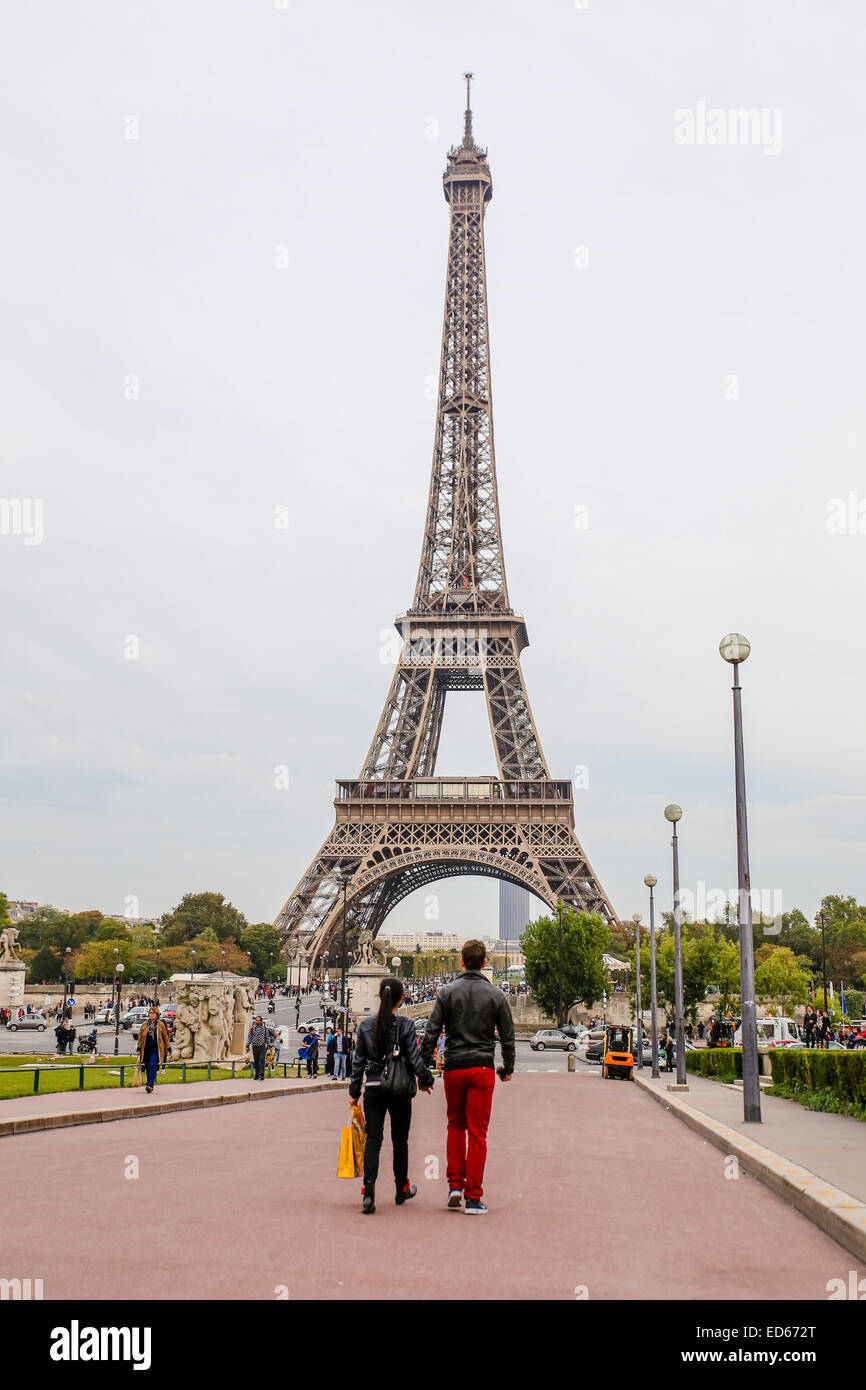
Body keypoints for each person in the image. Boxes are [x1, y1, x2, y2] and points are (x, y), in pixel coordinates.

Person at [420, 939, 515, 1215]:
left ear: (461, 961)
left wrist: (425, 1070)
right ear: (485, 963)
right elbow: (508, 1038)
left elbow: (431, 1032)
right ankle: (474, 1197)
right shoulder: (496, 995)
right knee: (478, 1133)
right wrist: (507, 1069)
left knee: (455, 1126)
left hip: (455, 1068)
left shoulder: (447, 992)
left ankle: (454, 1187)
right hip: (482, 1068)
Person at [348, 976, 434, 1214]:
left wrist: (354, 1093)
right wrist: (427, 1080)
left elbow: (357, 1065)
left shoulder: (365, 1026)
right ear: (401, 998)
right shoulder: (406, 1025)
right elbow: (416, 1060)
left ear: (379, 997)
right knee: (400, 1142)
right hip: (398, 1089)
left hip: (374, 1088)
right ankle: (401, 1187)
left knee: (373, 1141)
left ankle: (368, 1191)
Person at [136, 1006, 172, 1095]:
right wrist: (139, 1048)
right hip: (146, 1049)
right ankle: (150, 1085)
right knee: (148, 1067)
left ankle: (149, 1084)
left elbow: (165, 1037)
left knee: (152, 1065)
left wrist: (169, 1048)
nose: (151, 1015)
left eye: (153, 1013)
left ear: (157, 1015)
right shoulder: (144, 1024)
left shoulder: (160, 1025)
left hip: (156, 1049)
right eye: (150, 1013)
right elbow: (140, 1037)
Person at [247, 1014, 270, 1081]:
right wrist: (247, 1045)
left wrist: (269, 1046)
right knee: (256, 1061)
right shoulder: (252, 1028)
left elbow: (267, 1037)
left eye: (258, 1020)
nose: (257, 1021)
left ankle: (262, 1074)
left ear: (261, 1021)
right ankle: (257, 1074)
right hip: (255, 1047)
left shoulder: (265, 1028)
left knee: (262, 1060)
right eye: (256, 1020)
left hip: (262, 1047)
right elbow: (250, 1037)